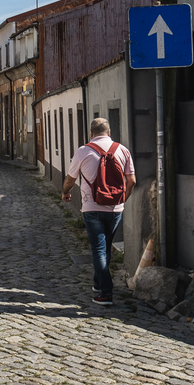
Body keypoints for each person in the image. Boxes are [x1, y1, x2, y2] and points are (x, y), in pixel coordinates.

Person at [63, 118, 136, 305]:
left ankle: (105, 293)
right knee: (106, 247)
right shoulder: (123, 150)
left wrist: (65, 192)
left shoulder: (83, 151)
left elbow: (71, 178)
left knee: (98, 249)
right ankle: (98, 282)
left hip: (92, 207)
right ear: (109, 132)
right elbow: (132, 181)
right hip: (115, 209)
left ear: (91, 133)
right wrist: (122, 199)